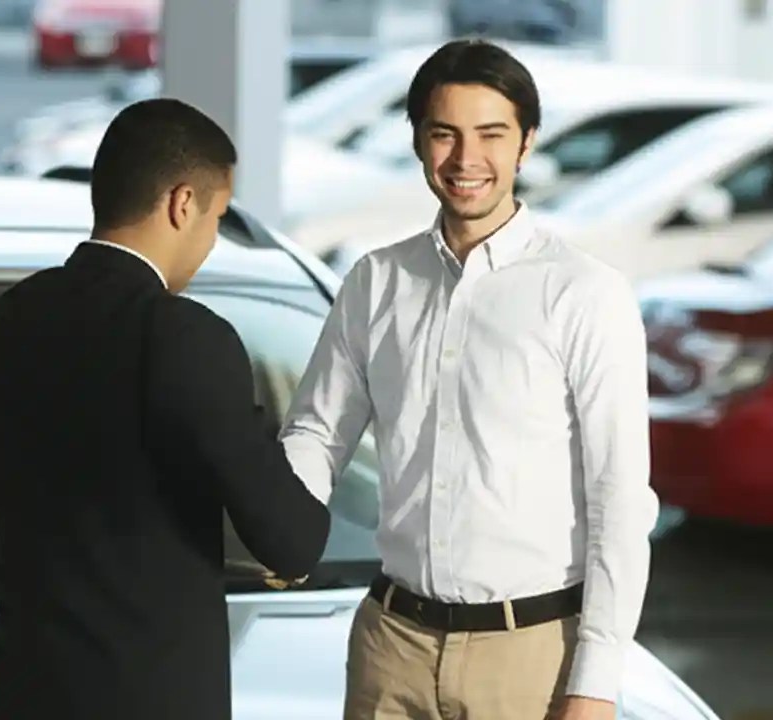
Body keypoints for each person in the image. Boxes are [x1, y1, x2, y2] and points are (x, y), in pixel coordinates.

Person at [279, 39, 660, 720]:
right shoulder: (377, 280)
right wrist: (277, 526)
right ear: (420, 141)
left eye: (491, 134)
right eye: (444, 134)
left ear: (527, 143)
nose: (465, 159)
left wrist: (595, 681)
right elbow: (317, 430)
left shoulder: (583, 294)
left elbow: (620, 500)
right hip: (391, 649)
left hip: (532, 657)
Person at [0, 97, 331, 720]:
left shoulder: (8, 319)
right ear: (182, 203)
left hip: (22, 694)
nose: (211, 239)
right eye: (215, 216)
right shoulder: (185, 338)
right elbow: (292, 539)